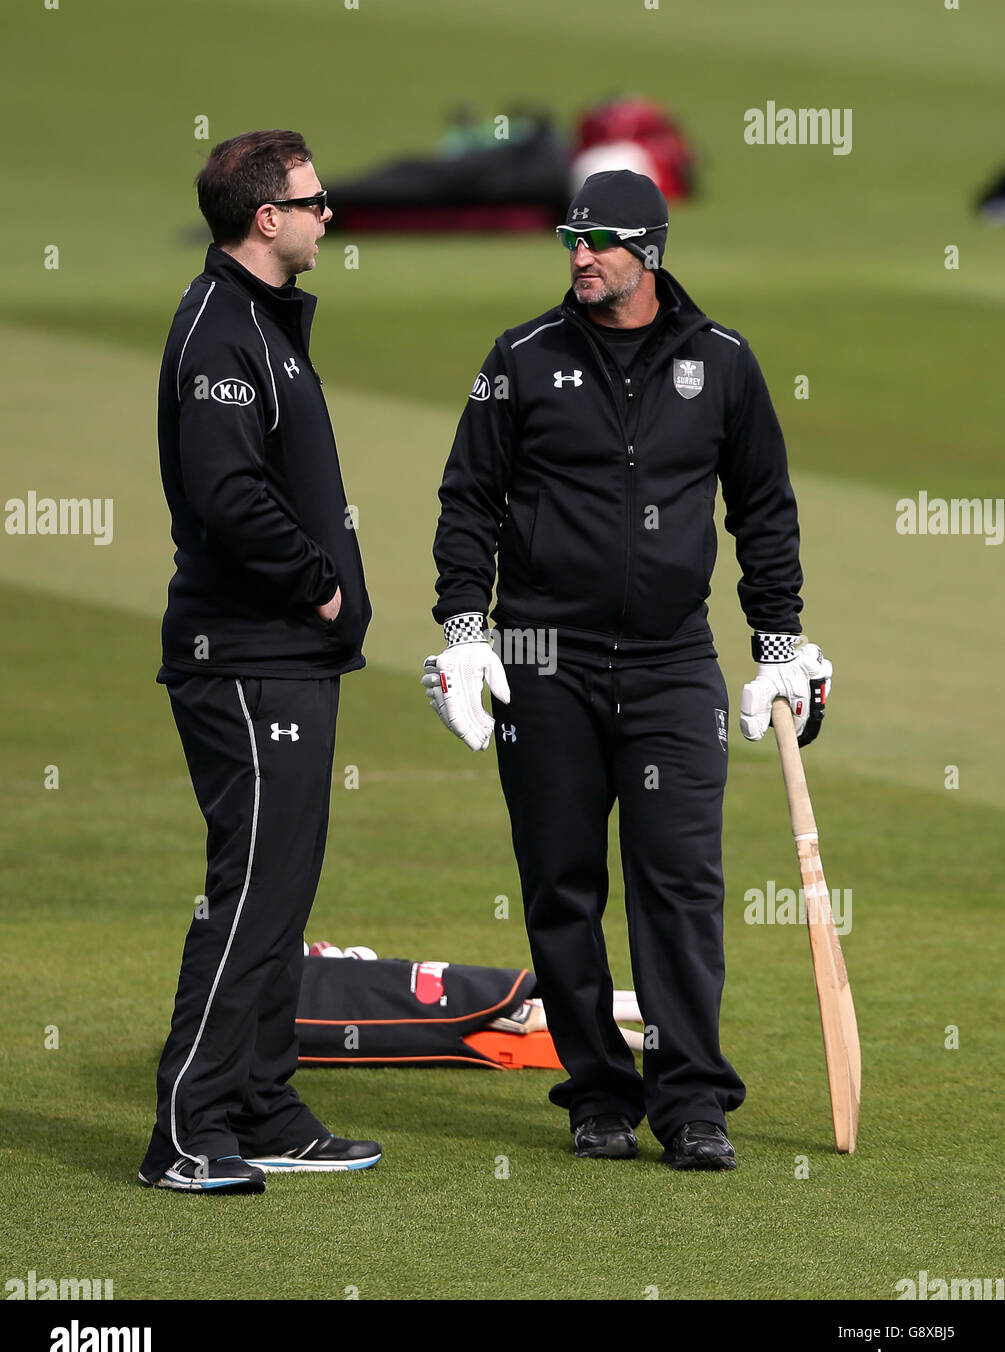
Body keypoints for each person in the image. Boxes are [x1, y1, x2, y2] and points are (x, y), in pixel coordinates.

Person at [424, 169, 831, 1171]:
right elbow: (467, 498)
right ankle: (597, 1091)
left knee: (680, 885)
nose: (579, 258)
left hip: (670, 661)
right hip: (540, 659)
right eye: (572, 240)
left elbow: (765, 513)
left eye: (599, 242)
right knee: (562, 884)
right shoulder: (520, 357)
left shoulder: (723, 362)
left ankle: (692, 1100)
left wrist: (780, 646)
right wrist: (464, 628)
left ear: (647, 251)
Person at [140, 130, 381, 1194]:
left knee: (280, 893)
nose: (331, 215)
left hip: (287, 656)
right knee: (245, 894)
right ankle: (187, 1130)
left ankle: (263, 1102)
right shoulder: (218, 331)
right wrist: (319, 584)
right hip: (243, 657)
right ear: (264, 218)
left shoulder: (262, 323)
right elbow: (228, 495)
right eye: (315, 201)